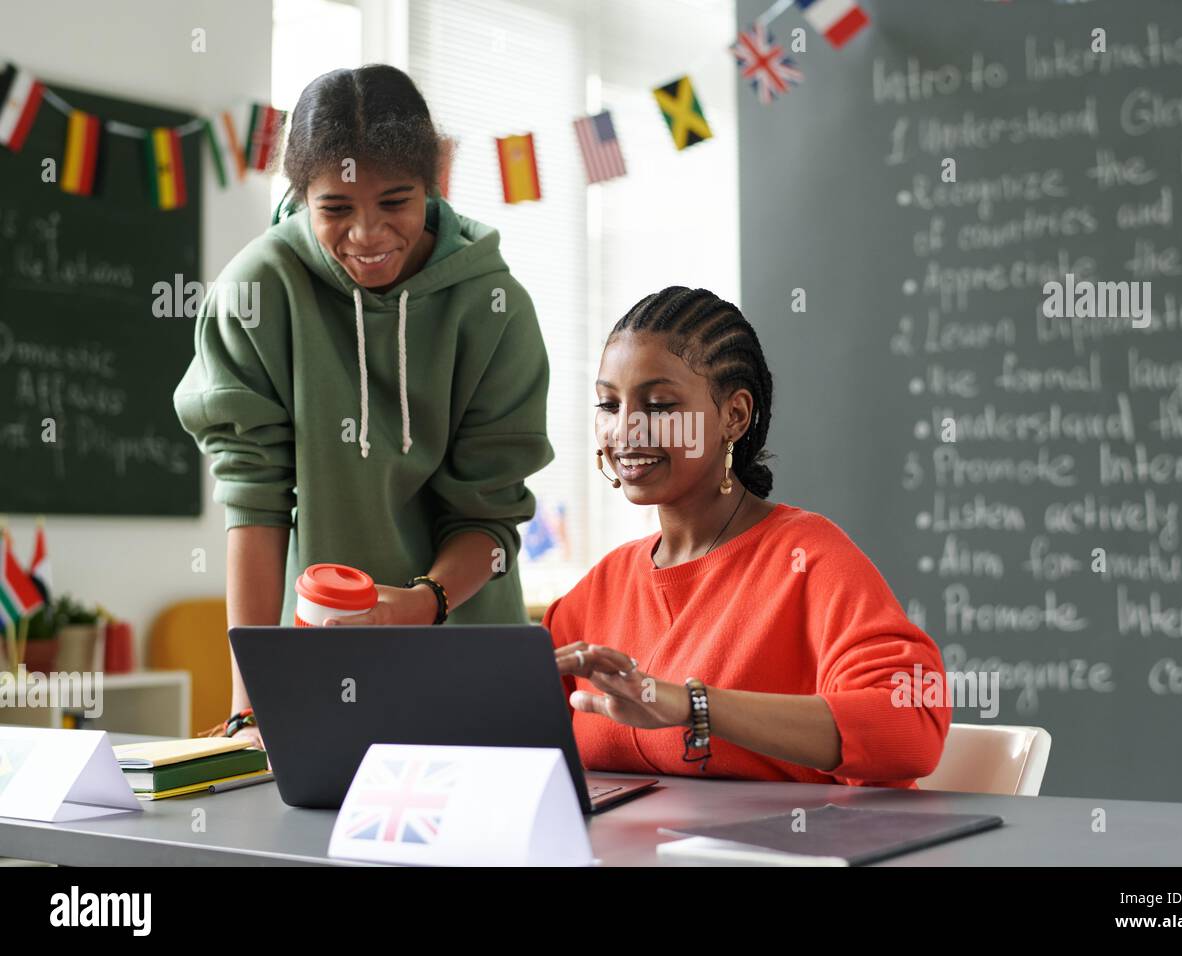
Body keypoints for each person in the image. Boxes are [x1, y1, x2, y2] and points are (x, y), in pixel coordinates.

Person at [175, 66, 553, 749]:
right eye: (336, 209)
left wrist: (422, 603)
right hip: (323, 661)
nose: (367, 235)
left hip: (469, 650)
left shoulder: (495, 308)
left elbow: (489, 518)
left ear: (434, 183)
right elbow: (256, 504)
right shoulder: (257, 291)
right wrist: (251, 707)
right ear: (302, 195)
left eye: (395, 203)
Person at [545, 287, 949, 787]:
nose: (625, 429)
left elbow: (911, 724)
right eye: (608, 404)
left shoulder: (807, 559)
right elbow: (516, 734)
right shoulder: (601, 589)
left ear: (734, 415)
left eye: (659, 405)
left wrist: (691, 706)